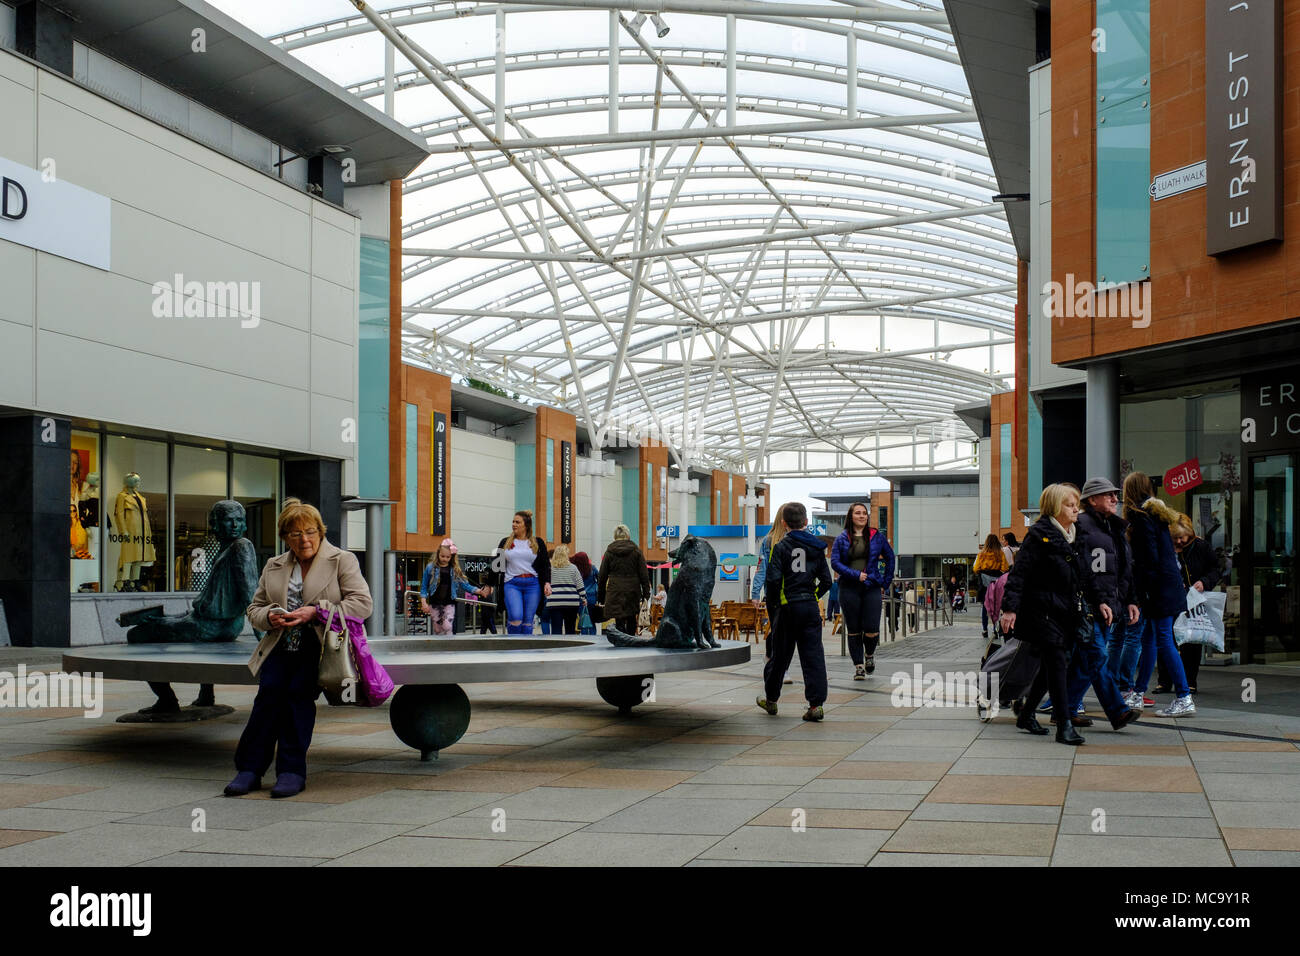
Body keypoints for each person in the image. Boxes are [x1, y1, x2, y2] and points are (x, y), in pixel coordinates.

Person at [226, 499, 372, 798]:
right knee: (267, 698)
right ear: (284, 537)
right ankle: (250, 769)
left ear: (320, 532)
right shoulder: (274, 565)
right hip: (281, 644)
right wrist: (269, 616)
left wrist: (316, 612)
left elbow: (362, 604)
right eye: (294, 534)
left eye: (309, 532)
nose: (303, 539)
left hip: (320, 647)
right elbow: (254, 607)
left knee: (296, 699)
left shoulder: (342, 560)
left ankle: (291, 772)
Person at [999, 483, 1102, 746]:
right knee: (1057, 661)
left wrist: (1100, 601)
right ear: (1055, 508)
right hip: (1040, 611)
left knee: (1050, 666)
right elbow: (1018, 574)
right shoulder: (1038, 535)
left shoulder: (1075, 534)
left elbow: (1085, 575)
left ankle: (1026, 713)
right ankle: (1064, 724)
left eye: (1076, 504)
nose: (1076, 508)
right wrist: (1009, 608)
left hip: (1066, 611)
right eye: (1070, 504)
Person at [1067, 477, 1141, 730]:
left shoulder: (1115, 528)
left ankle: (1062, 708)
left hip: (1109, 605)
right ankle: (1118, 711)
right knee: (1096, 656)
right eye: (1108, 494)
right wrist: (1097, 600)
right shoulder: (1081, 526)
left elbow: (1124, 569)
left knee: (1085, 661)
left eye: (1115, 494)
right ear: (1092, 500)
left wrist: (1130, 600)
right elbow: (1083, 569)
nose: (1115, 498)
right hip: (1089, 606)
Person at [1124, 473, 1196, 717]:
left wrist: (1141, 591)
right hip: (1167, 586)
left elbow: (1148, 559)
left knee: (1163, 640)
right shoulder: (1157, 516)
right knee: (1151, 639)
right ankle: (1138, 692)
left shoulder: (1140, 518)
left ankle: (1184, 696)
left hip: (1158, 590)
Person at [757, 502, 833, 721]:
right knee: (813, 656)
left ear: (784, 523)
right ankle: (816, 705)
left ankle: (771, 700)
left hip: (787, 607)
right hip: (809, 607)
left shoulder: (780, 548)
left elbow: (772, 581)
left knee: (780, 656)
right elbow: (827, 581)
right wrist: (813, 596)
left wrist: (774, 609)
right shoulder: (818, 548)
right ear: (806, 522)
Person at [830, 500, 896, 680]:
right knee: (853, 629)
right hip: (849, 587)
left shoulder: (876, 536)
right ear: (851, 516)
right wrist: (855, 574)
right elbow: (835, 562)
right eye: (858, 513)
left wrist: (885, 582)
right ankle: (858, 666)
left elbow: (890, 557)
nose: (862, 516)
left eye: (864, 513)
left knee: (872, 628)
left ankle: (869, 655)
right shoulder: (842, 538)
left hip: (872, 586)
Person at [1156, 512, 1220, 696]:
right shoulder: (1165, 547)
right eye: (1175, 538)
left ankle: (1190, 681)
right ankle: (1164, 681)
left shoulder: (1201, 546)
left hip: (1193, 599)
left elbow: (1215, 569)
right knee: (1167, 638)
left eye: (1182, 537)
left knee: (1192, 640)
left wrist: (1205, 582)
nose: (1179, 541)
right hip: (1170, 598)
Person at [494, 510, 551, 635]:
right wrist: (488, 584)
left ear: (526, 525)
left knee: (527, 621)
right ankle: (513, 648)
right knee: (515, 616)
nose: (514, 524)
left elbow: (545, 565)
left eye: (517, 522)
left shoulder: (538, 543)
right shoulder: (505, 542)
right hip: (511, 583)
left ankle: (526, 652)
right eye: (513, 522)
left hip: (533, 584)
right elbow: (496, 565)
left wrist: (547, 582)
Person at [421, 539, 491, 635]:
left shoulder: (454, 570)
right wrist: (424, 602)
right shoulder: (430, 568)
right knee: (437, 629)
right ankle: (439, 647)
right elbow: (424, 586)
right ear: (438, 554)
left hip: (449, 602)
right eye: (442, 556)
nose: (444, 559)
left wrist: (479, 591)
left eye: (448, 557)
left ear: (452, 557)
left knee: (447, 626)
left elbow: (465, 585)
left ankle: (449, 646)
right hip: (434, 603)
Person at [598, 523, 650, 635]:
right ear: (628, 536)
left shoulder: (609, 552)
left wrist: (601, 597)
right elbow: (644, 575)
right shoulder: (636, 552)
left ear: (615, 537)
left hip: (615, 589)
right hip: (633, 590)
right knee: (631, 617)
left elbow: (602, 576)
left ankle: (621, 643)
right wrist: (646, 594)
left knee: (619, 618)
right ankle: (630, 641)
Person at [973, 534, 1009, 638]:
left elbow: (975, 569)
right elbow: (1005, 568)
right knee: (996, 606)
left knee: (985, 606)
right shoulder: (1000, 554)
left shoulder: (981, 554)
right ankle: (995, 629)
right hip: (996, 582)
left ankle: (984, 629)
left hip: (984, 584)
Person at [547, 545, 585, 634]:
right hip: (571, 602)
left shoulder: (550, 568)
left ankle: (556, 646)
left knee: (556, 629)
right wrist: (583, 598)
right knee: (570, 629)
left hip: (554, 602)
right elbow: (580, 584)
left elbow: (545, 583)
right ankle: (570, 647)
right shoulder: (573, 568)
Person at [573, 550, 599, 634]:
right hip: (592, 598)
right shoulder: (592, 568)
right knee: (591, 620)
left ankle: (584, 638)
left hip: (580, 598)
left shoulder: (575, 570)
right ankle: (594, 639)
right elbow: (600, 580)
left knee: (583, 619)